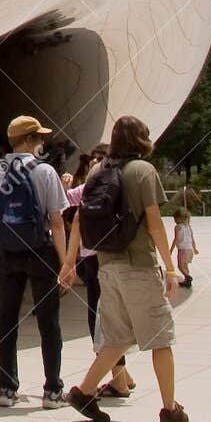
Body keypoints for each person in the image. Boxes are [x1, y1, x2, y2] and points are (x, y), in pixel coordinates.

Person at [64, 115, 188, 422]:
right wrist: (171, 268)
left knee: (117, 337)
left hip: (107, 266)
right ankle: (170, 409)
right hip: (138, 266)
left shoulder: (97, 170)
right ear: (142, 140)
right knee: (161, 337)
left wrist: (69, 261)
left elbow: (79, 217)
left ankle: (83, 391)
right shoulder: (143, 171)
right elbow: (155, 222)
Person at [0, 113, 70, 409]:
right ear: (29, 141)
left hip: (7, 253)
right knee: (48, 322)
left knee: (6, 318)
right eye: (39, 138)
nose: (42, 142)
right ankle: (52, 390)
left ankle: (6, 388)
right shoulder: (45, 172)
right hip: (40, 251)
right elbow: (57, 221)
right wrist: (66, 262)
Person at [64, 145, 134, 401]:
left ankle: (119, 383)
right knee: (110, 318)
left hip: (94, 260)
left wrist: (69, 261)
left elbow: (65, 204)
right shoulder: (121, 185)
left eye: (98, 158)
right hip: (113, 258)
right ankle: (123, 376)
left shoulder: (92, 187)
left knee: (100, 323)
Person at [172, 207, 198, 288]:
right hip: (190, 250)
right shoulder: (189, 227)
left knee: (180, 266)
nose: (174, 221)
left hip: (182, 250)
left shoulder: (177, 227)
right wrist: (195, 248)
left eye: (175, 218)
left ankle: (187, 276)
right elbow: (192, 238)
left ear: (180, 218)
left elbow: (175, 239)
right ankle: (187, 281)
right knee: (185, 266)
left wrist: (171, 249)